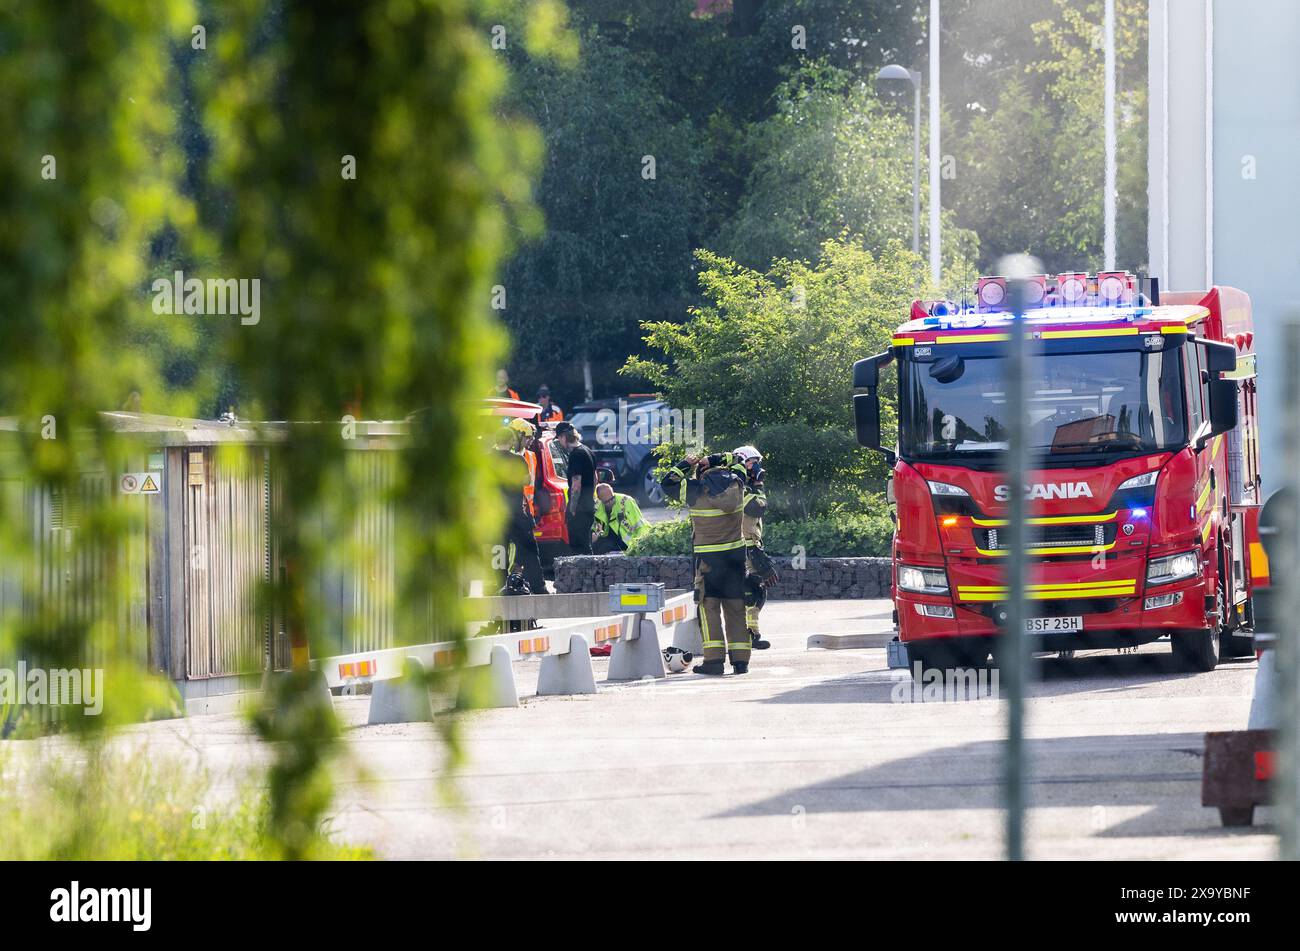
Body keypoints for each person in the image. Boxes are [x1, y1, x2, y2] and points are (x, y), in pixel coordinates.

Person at [660, 451, 750, 676]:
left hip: (708, 562)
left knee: (708, 609)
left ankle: (714, 661)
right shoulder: (737, 483)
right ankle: (741, 662)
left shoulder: (694, 489)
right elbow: (739, 460)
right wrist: (717, 459)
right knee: (736, 609)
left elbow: (667, 483)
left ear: (701, 473)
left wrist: (685, 464)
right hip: (735, 560)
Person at [491, 427, 547, 595]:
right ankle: (538, 587)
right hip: (516, 512)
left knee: (498, 550)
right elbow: (527, 480)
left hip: (496, 513)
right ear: (511, 441)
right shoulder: (517, 459)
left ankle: (499, 585)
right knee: (529, 548)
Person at [734, 445, 777, 650]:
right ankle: (748, 634)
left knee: (756, 591)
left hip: (751, 546)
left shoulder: (746, 486)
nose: (758, 467)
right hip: (744, 549)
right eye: (754, 462)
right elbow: (757, 507)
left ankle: (751, 633)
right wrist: (758, 484)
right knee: (752, 591)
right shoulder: (737, 486)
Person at [554, 421, 595, 555]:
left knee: (578, 547)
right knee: (586, 543)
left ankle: (584, 569)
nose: (560, 443)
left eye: (559, 438)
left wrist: (572, 508)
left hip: (579, 509)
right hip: (588, 505)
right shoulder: (587, 450)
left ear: (563, 437)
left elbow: (576, 484)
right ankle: (590, 568)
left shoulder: (576, 455)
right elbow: (595, 478)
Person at [591, 483, 646, 554]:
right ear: (600, 500)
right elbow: (596, 527)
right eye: (607, 502)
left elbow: (640, 525)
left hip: (629, 542)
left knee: (604, 547)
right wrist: (595, 534)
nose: (611, 502)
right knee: (595, 548)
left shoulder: (627, 501)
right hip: (613, 537)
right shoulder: (598, 507)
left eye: (612, 499)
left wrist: (641, 545)